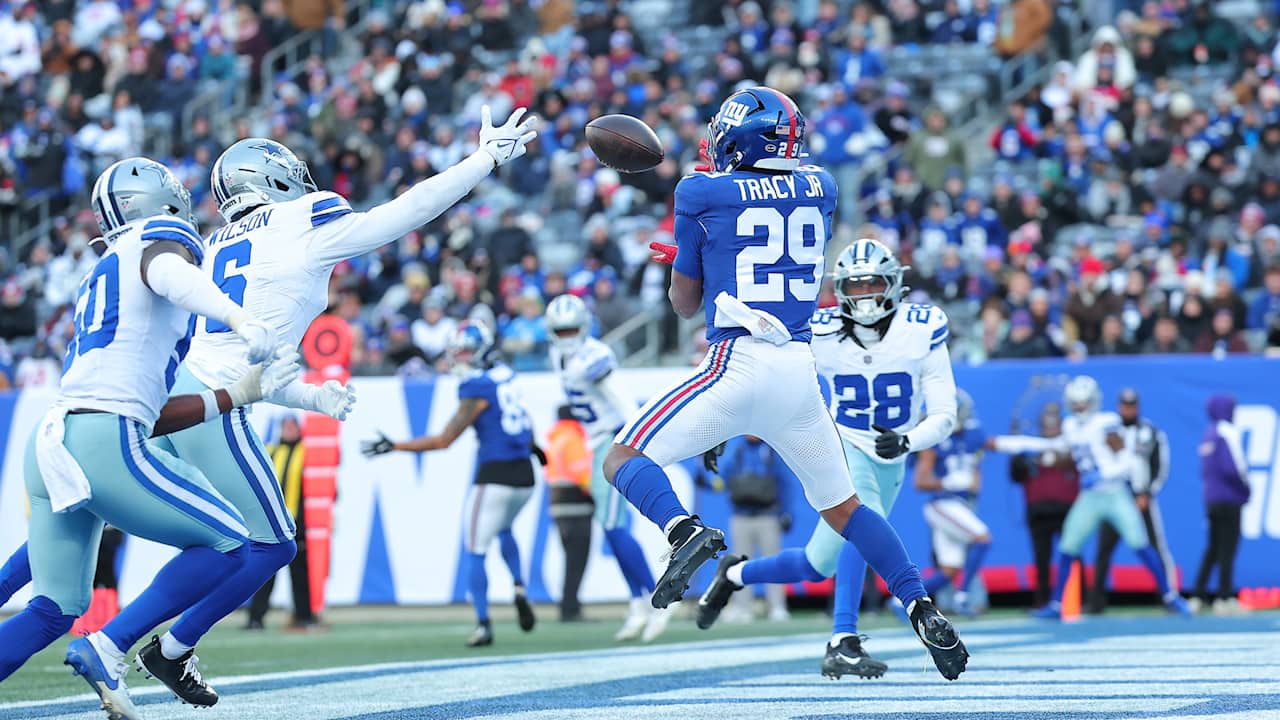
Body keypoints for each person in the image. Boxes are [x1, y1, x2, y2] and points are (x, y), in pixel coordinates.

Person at [115, 104, 535, 705]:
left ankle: (134, 644)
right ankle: (147, 647)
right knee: (270, 544)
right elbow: (406, 212)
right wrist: (482, 160)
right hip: (215, 407)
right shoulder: (302, 219)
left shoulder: (214, 243)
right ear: (272, 179)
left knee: (109, 514)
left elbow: (242, 351)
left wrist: (308, 394)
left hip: (174, 396)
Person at [617, 91, 968, 678]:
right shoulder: (821, 186)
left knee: (622, 457)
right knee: (848, 511)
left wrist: (688, 254)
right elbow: (763, 239)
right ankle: (917, 602)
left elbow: (684, 303)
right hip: (799, 372)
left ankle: (682, 531)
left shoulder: (698, 191)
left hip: (736, 362)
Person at [0, 157, 299, 717]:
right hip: (102, 439)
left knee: (52, 607)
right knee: (231, 540)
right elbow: (170, 273)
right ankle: (108, 649)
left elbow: (154, 411)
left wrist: (238, 394)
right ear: (157, 202)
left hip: (55, 440)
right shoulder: (157, 244)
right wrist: (237, 318)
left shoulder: (109, 265)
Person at [695, 237, 961, 680]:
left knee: (817, 564)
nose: (865, 296)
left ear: (893, 284)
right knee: (864, 520)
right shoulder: (818, 328)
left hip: (891, 456)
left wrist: (909, 441)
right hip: (842, 442)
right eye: (855, 288)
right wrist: (721, 421)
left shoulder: (923, 326)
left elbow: (945, 413)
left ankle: (736, 574)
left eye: (873, 284)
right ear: (840, 291)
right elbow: (758, 371)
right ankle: (844, 640)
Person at [363, 322, 541, 647]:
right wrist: (536, 450)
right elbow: (524, 423)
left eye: (466, 352)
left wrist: (395, 446)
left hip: (495, 475)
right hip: (526, 476)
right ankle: (518, 586)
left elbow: (445, 440)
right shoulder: (506, 375)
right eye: (458, 352)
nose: (461, 358)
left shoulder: (476, 387)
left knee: (476, 548)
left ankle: (483, 623)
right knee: (503, 529)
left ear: (482, 349)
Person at [985, 376, 1191, 618]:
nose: (1080, 408)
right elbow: (1052, 446)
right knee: (1068, 545)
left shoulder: (1107, 423)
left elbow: (1128, 460)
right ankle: (1056, 604)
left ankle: (1170, 596)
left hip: (1114, 492)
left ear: (1094, 401)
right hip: (1090, 496)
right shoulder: (1071, 425)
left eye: (1084, 403)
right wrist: (1004, 443)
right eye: (1076, 403)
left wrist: (1104, 473)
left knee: (1140, 542)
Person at [543, 294, 669, 641]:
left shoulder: (595, 356)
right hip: (595, 444)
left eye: (572, 329)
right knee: (611, 528)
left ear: (584, 326)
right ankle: (638, 602)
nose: (567, 337)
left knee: (614, 527)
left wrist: (632, 443)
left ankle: (656, 599)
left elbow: (623, 401)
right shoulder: (558, 355)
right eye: (561, 330)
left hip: (614, 441)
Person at [1088, 389, 1173, 614]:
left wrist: (1147, 493)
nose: (1128, 410)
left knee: (1154, 546)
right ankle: (1096, 601)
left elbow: (1159, 466)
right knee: (1103, 549)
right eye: (1124, 405)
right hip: (1114, 496)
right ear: (1119, 406)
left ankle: (1168, 596)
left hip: (1140, 497)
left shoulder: (1150, 431)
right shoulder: (1109, 430)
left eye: (1132, 405)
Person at [914, 389, 991, 617]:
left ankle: (902, 603)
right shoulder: (931, 439)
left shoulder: (973, 435)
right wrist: (949, 483)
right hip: (943, 503)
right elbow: (920, 481)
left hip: (960, 503)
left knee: (949, 569)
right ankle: (963, 597)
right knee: (982, 539)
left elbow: (991, 449)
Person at [246, 413, 319, 631]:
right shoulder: (271, 451)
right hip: (271, 524)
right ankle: (255, 617)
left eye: (292, 426)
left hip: (299, 525)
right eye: (285, 426)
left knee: (300, 574)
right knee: (264, 573)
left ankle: (304, 616)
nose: (288, 430)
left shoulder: (307, 453)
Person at [715, 435, 793, 623]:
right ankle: (743, 607)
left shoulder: (771, 451)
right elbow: (724, 476)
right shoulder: (736, 449)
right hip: (741, 515)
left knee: (773, 562)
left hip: (768, 514)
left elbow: (784, 482)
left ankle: (777, 607)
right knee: (740, 563)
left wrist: (787, 512)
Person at [1192, 394, 1251, 614]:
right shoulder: (1227, 431)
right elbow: (1235, 466)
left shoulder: (1208, 433)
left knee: (1213, 548)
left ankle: (1197, 594)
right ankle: (1224, 597)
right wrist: (1246, 489)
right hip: (1229, 498)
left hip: (1211, 499)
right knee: (1228, 548)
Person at [544, 405, 594, 622]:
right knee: (577, 560)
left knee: (569, 558)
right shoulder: (573, 438)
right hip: (577, 506)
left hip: (558, 504)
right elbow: (582, 473)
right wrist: (596, 493)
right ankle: (570, 608)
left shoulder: (556, 439)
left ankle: (567, 605)